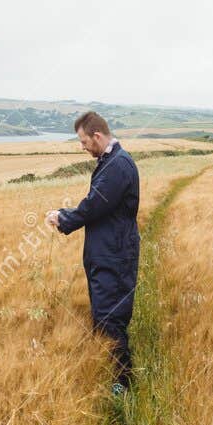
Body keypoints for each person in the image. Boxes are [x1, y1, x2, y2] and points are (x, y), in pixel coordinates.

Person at [44, 111, 140, 395]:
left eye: (84, 141)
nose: (82, 146)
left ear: (97, 136)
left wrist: (63, 218)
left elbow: (94, 205)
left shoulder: (118, 165)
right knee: (104, 315)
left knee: (110, 317)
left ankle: (122, 385)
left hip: (113, 255)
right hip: (110, 253)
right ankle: (113, 376)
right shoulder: (113, 161)